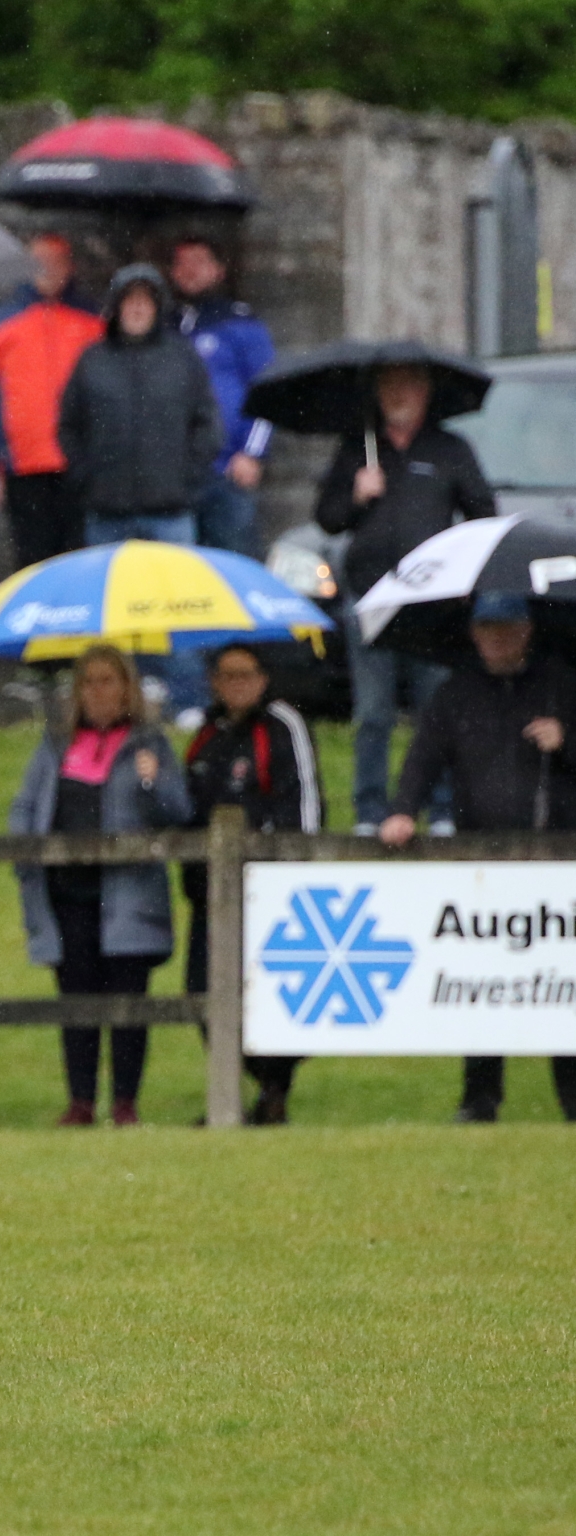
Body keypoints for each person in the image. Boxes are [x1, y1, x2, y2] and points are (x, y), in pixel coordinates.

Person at [380, 592, 576, 1124]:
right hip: (482, 863)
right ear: (473, 633)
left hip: (555, 860)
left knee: (560, 981)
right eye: (488, 629)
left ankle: (571, 1097)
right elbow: (424, 756)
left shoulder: (561, 684)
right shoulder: (455, 693)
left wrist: (566, 740)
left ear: (527, 630)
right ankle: (480, 1097)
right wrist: (403, 810)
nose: (497, 639)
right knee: (481, 982)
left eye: (508, 628)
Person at [11, 646, 190, 1126]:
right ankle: (81, 1102)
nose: (98, 691)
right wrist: (25, 855)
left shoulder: (150, 744)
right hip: (67, 894)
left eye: (108, 680)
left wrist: (153, 782)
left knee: (128, 1002)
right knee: (76, 999)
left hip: (128, 897)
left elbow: (177, 812)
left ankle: (125, 1103)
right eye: (88, 682)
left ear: (127, 687)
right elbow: (26, 807)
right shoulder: (56, 745)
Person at [315, 362, 497, 835]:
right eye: (389, 385)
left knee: (435, 708)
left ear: (426, 392)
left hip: (433, 601)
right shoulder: (357, 449)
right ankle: (370, 811)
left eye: (409, 385)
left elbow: (483, 513)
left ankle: (441, 810)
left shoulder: (450, 449)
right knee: (372, 712)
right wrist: (356, 495)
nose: (399, 394)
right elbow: (327, 518)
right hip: (371, 597)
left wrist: (464, 576)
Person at [57, 264, 221, 720]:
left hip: (171, 510)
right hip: (106, 510)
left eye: (145, 302)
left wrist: (186, 478)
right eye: (129, 301)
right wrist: (87, 477)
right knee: (113, 612)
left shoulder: (183, 360)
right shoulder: (91, 361)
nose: (137, 309)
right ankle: (116, 705)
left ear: (157, 308)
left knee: (178, 606)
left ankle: (187, 700)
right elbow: (68, 427)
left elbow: (207, 425)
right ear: (116, 309)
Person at [181, 644, 322, 1124]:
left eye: (245, 674)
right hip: (209, 893)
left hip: (267, 890)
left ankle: (273, 1090)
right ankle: (233, 1090)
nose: (236, 684)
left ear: (263, 678)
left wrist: (290, 867)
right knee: (202, 990)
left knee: (271, 993)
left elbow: (305, 805)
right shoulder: (206, 734)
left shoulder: (282, 726)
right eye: (226, 675)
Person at [0, 233, 105, 569]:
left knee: (80, 562)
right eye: (39, 262)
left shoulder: (92, 322)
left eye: (55, 261)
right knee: (32, 561)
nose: (47, 269)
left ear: (69, 268)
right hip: (23, 464)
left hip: (80, 462)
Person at [169, 237, 276, 559]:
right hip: (175, 474)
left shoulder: (241, 323)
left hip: (228, 470)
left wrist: (252, 453)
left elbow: (267, 390)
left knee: (232, 562)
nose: (190, 270)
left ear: (218, 270)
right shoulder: (166, 327)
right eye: (182, 263)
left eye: (199, 261)